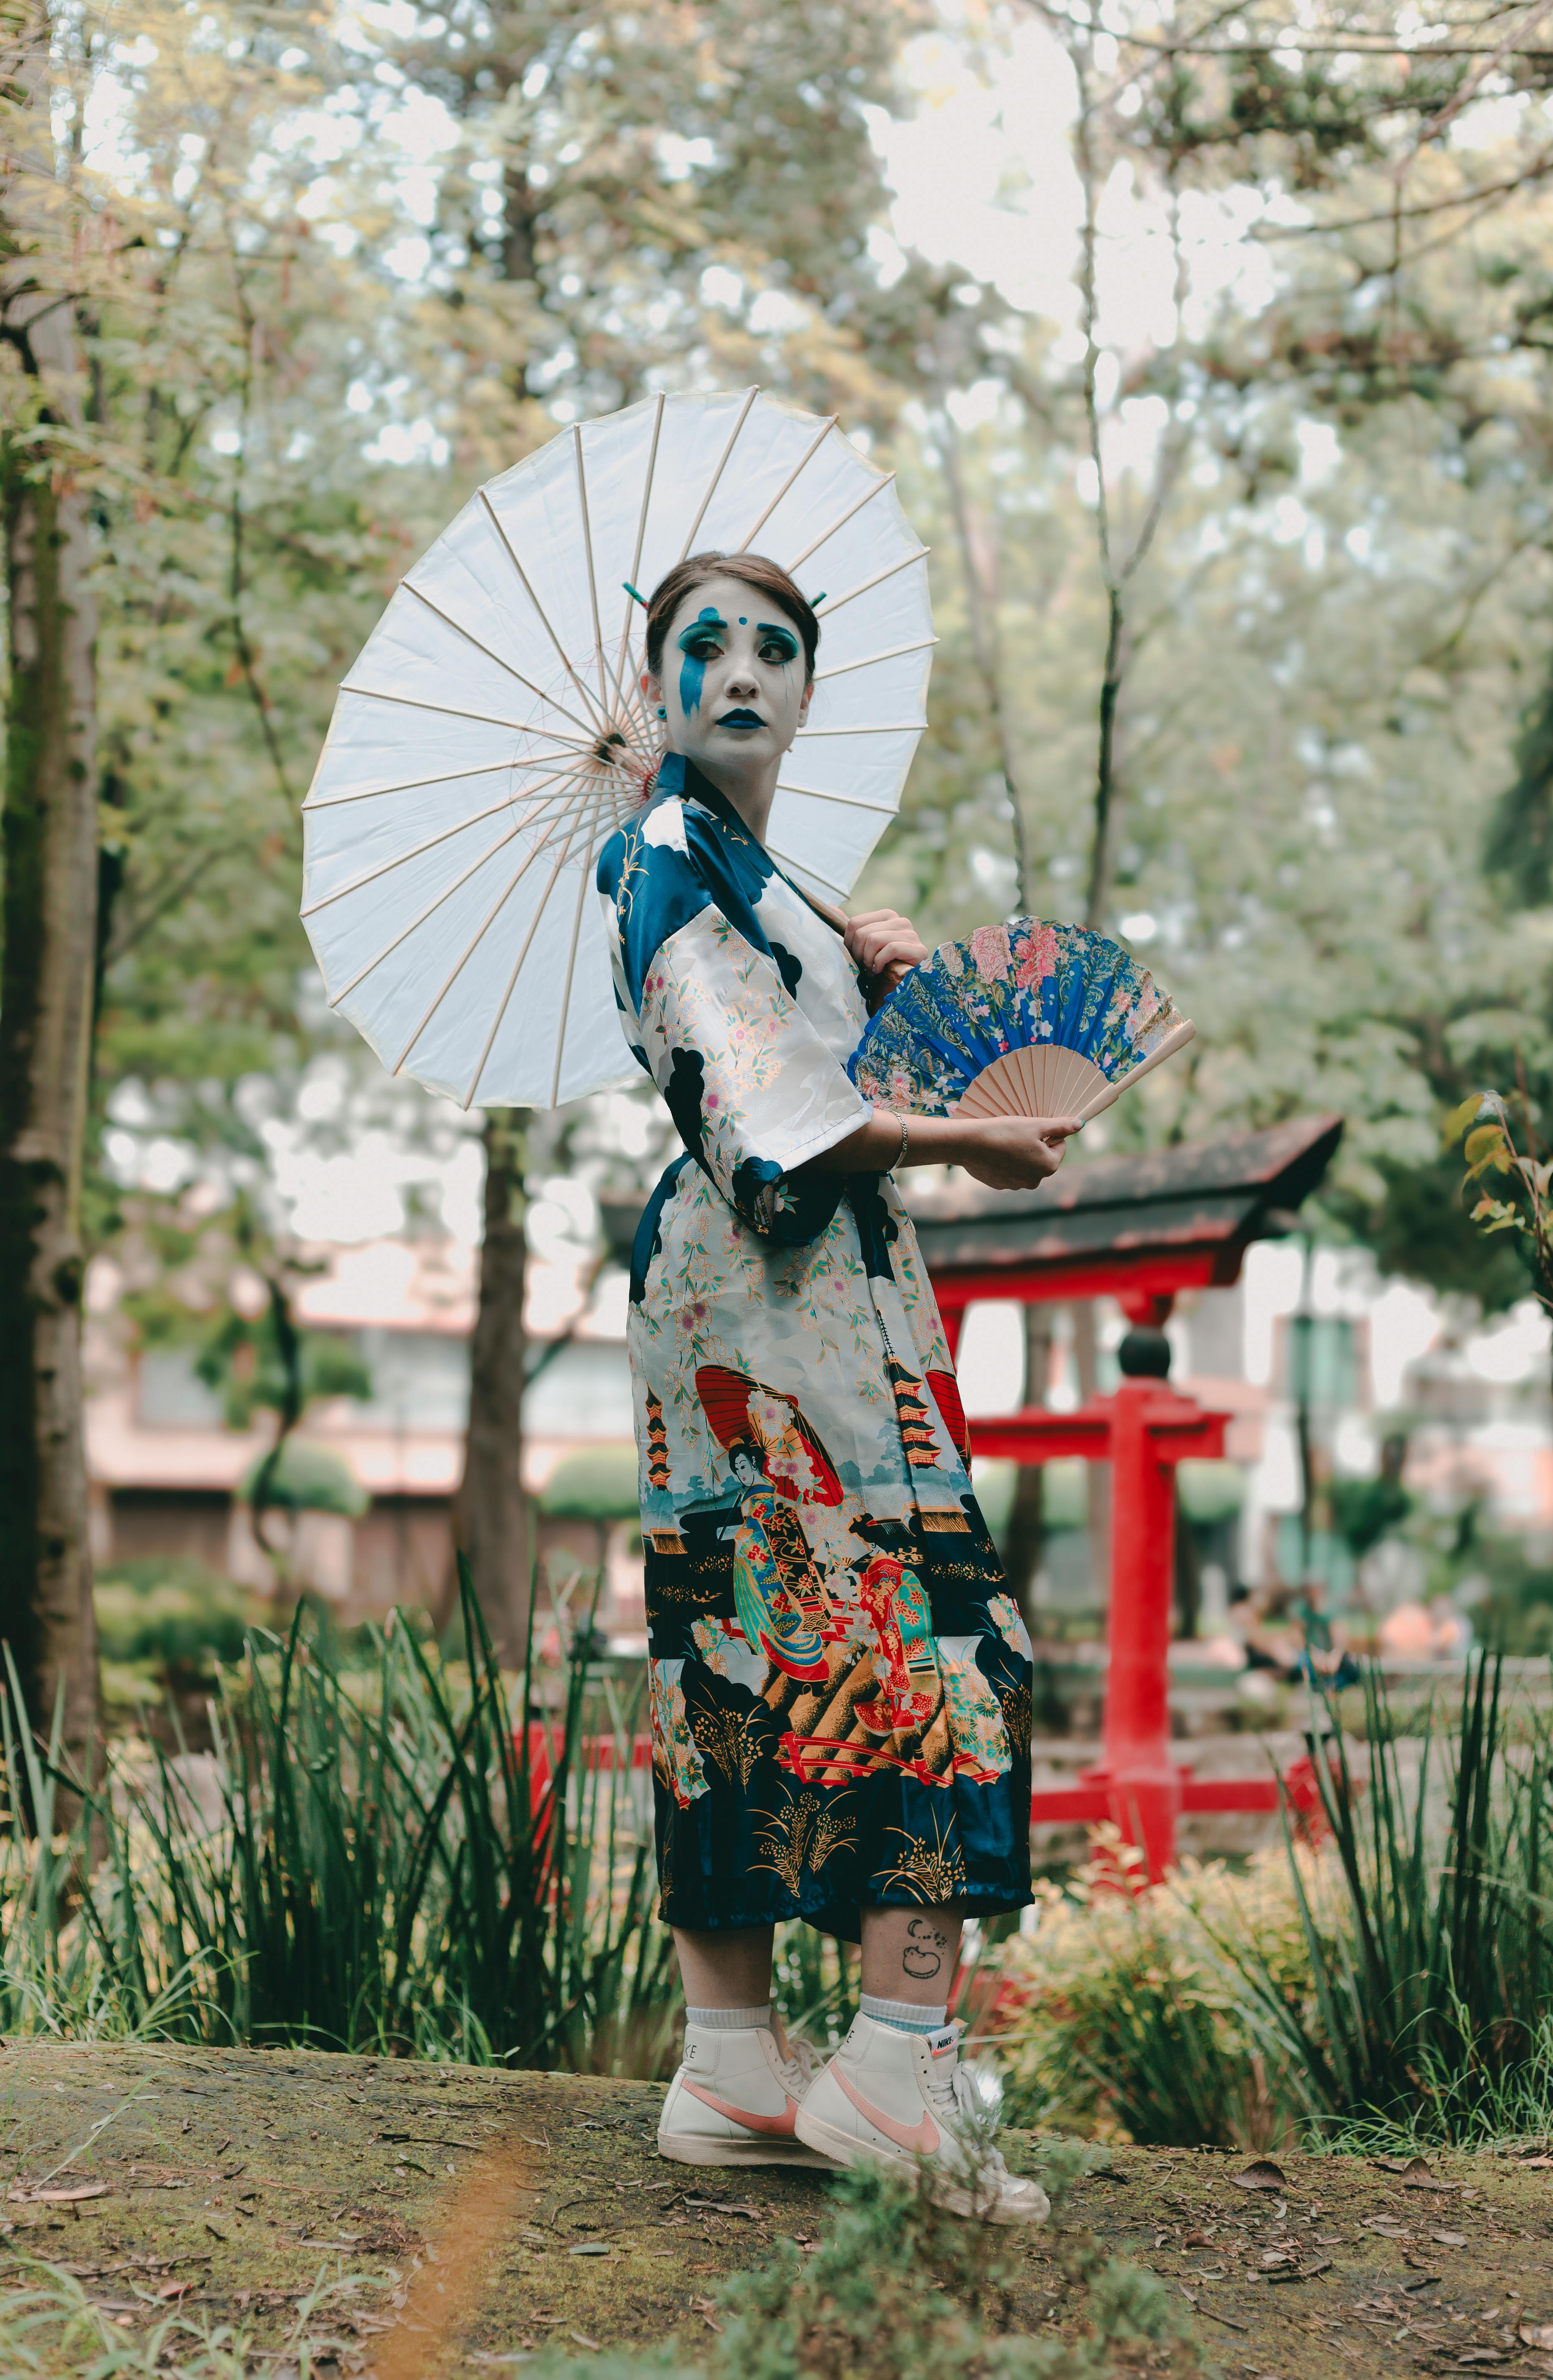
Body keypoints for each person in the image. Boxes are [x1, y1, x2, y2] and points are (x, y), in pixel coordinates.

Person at [595, 550, 1078, 2222]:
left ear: (807, 691)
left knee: (743, 1644)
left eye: (773, 648)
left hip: (776, 1300)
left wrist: (874, 978)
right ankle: (891, 2064)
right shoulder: (664, 854)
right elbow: (761, 1118)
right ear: (649, 681)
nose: (739, 668)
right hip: (769, 1309)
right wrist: (967, 1136)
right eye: (702, 644)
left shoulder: (754, 871)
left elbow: (813, 1082)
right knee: (921, 1639)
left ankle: (732, 2061)